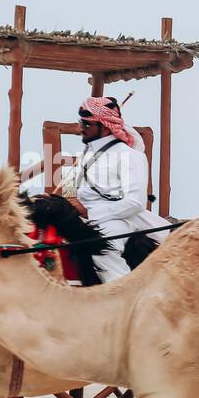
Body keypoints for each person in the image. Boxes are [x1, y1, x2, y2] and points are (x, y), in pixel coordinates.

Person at [68, 96, 171, 281]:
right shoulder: (88, 153)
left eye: (87, 124)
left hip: (120, 220)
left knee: (102, 244)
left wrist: (90, 212)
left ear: (106, 126)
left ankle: (119, 290)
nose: (81, 128)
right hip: (90, 218)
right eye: (80, 122)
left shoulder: (131, 156)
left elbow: (135, 203)